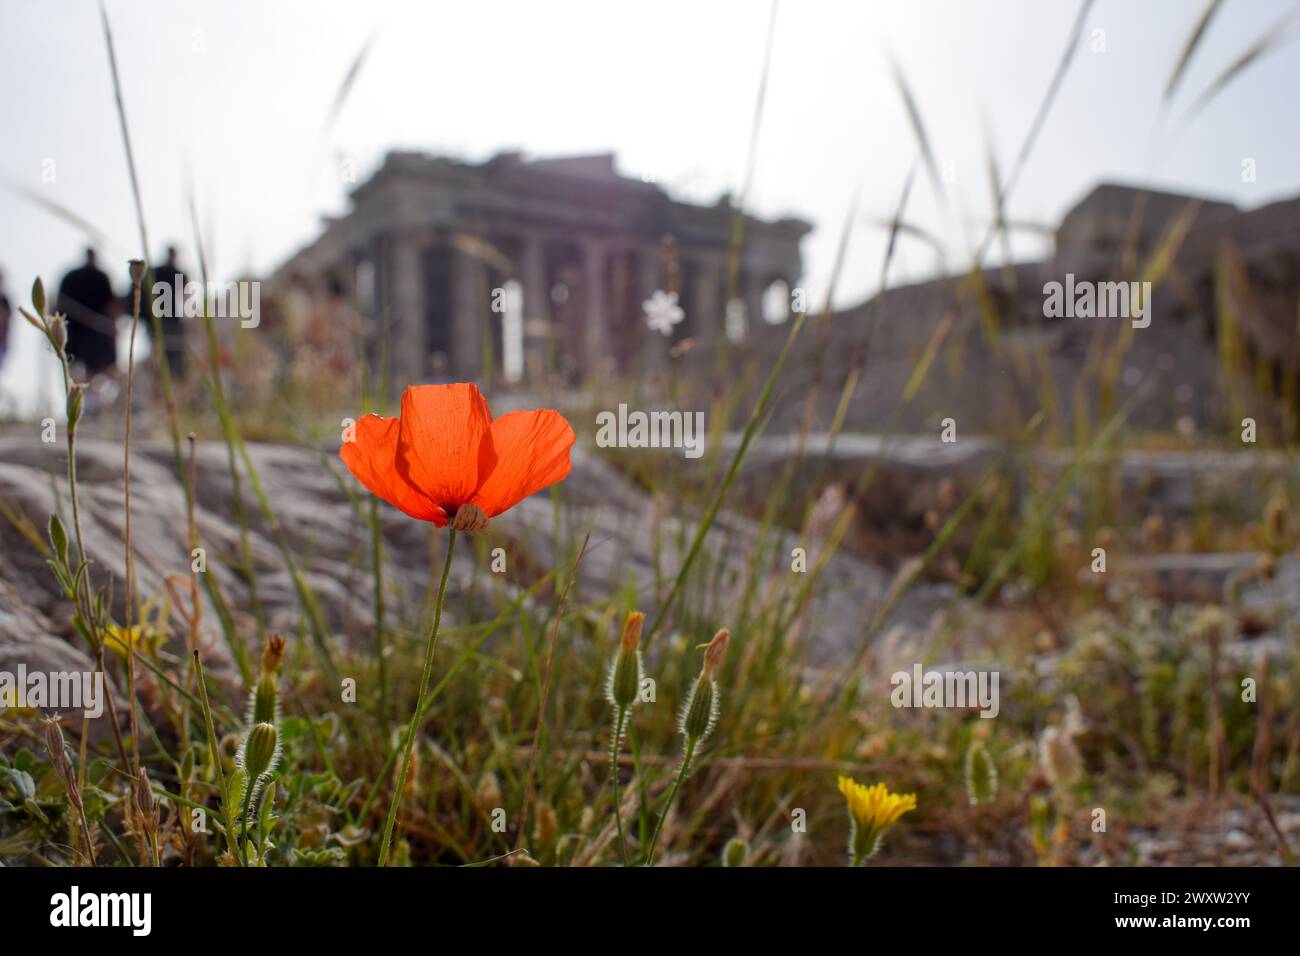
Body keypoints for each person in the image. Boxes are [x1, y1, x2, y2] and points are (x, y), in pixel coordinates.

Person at [57, 248, 118, 375]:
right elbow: (111, 307)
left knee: (77, 373)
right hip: (86, 337)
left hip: (80, 335)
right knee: (82, 373)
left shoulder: (72, 276)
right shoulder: (101, 277)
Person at [151, 245, 187, 380]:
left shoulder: (155, 272)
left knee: (161, 354)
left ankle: (162, 381)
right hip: (171, 320)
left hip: (158, 318)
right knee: (173, 354)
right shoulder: (179, 273)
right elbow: (186, 297)